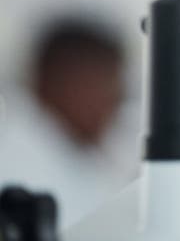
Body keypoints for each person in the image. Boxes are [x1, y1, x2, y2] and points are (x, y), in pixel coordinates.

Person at [0, 17, 139, 230]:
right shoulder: (17, 159)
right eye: (100, 86)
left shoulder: (75, 151)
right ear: (54, 80)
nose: (111, 105)